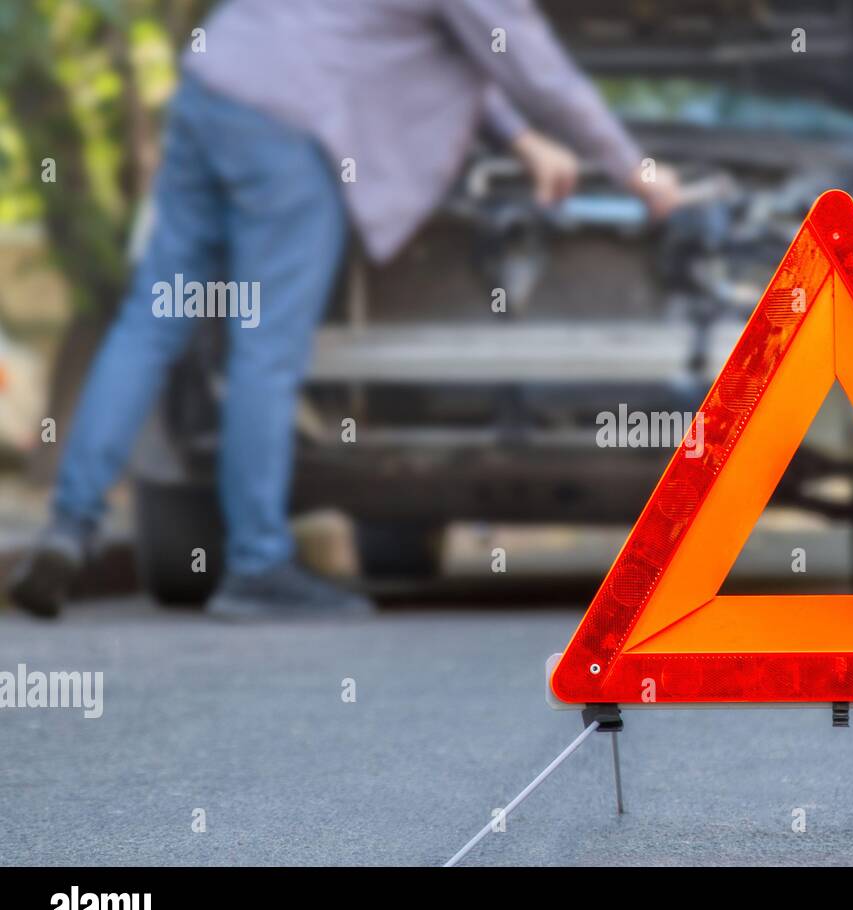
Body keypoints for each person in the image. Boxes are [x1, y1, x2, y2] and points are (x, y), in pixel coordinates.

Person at [6, 0, 680, 620]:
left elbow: (441, 47)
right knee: (266, 349)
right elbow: (534, 67)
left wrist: (521, 141)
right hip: (287, 127)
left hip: (213, 85)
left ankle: (70, 527)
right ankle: (257, 566)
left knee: (152, 321)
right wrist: (635, 170)